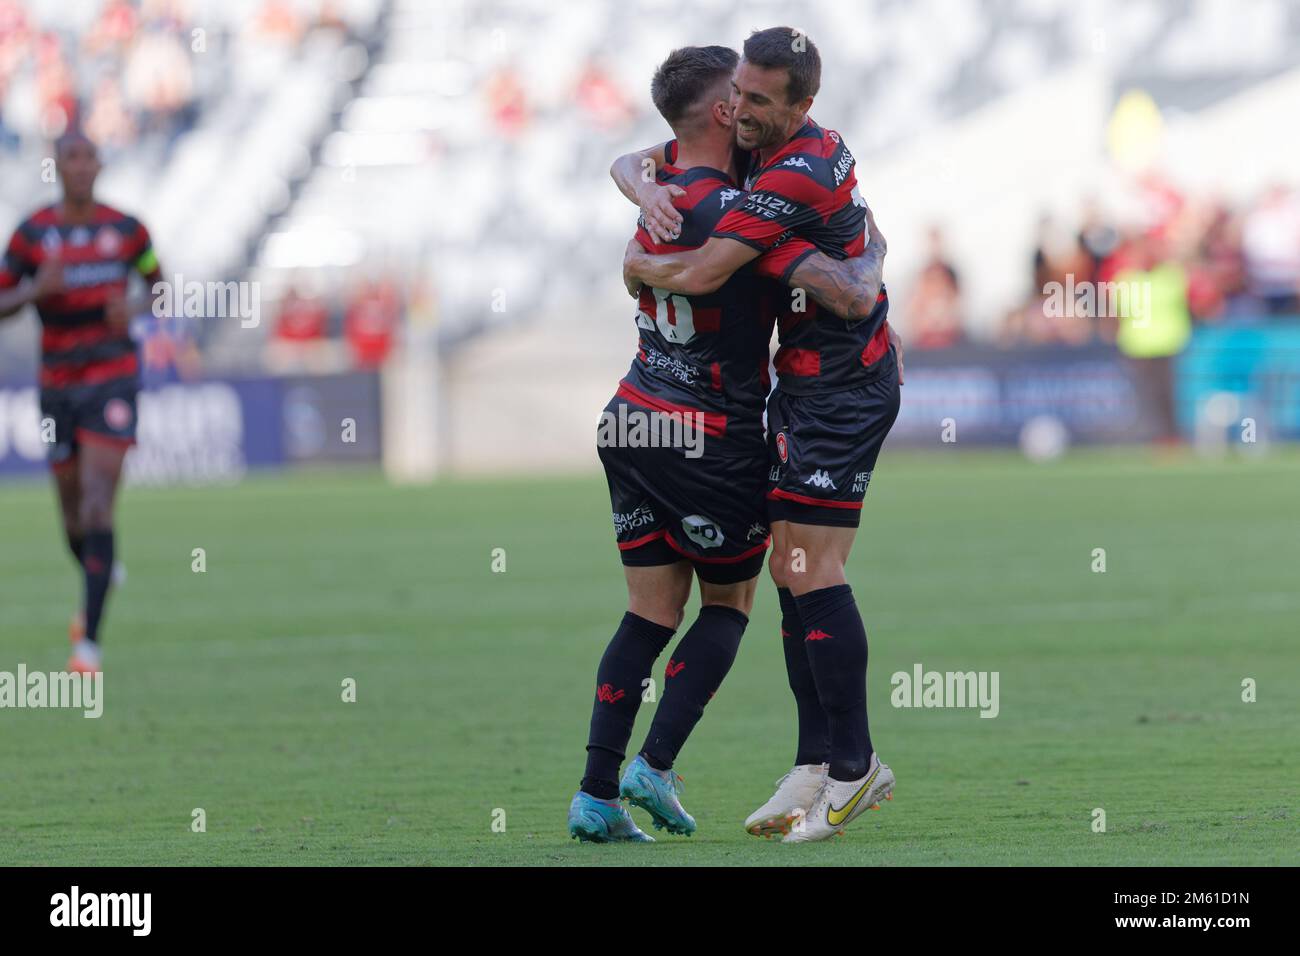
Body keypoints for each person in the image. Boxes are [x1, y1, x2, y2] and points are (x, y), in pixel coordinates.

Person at [569, 44, 887, 843]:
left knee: (651, 611)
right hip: (708, 430)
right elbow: (827, 286)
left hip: (631, 415)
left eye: (756, 99)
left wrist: (638, 225)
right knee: (739, 597)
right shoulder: (735, 205)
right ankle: (666, 765)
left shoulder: (672, 186)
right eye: (736, 97)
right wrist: (869, 260)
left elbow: (636, 165)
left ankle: (596, 794)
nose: (743, 110)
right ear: (723, 111)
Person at [0, 131, 162, 673]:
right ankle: (100, 565)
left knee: (97, 502)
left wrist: (135, 311)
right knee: (73, 515)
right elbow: (2, 299)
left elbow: (158, 286)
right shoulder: (32, 235)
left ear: (100, 163)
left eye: (89, 155)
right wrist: (31, 293)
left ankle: (87, 645)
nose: (81, 165)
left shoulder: (129, 230)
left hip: (112, 377)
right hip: (57, 386)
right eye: (71, 157)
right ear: (57, 167)